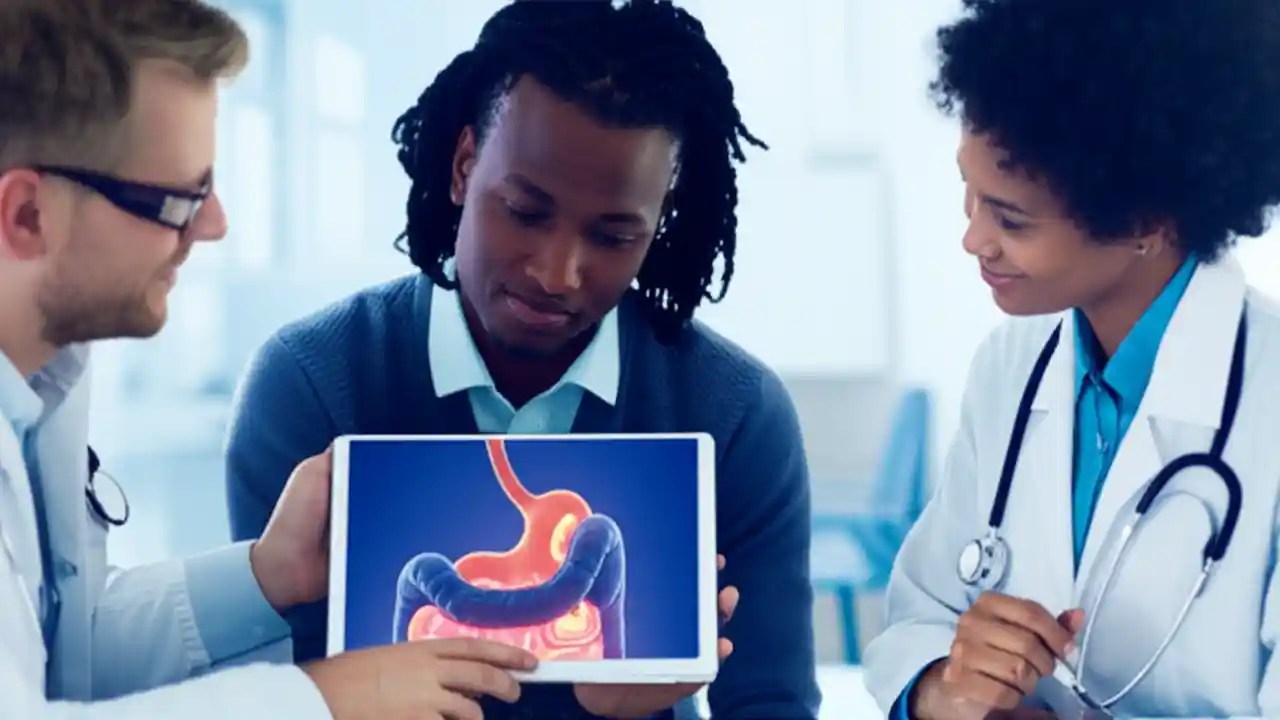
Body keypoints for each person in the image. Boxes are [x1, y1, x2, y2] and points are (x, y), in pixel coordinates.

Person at [224, 1, 821, 718]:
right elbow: (263, 700)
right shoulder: (313, 384)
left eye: (613, 235)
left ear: (659, 222)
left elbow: (773, 703)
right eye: (526, 212)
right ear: (463, 164)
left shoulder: (735, 415)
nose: (558, 273)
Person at [0, 2, 546, 718]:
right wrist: (323, 701)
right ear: (26, 216)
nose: (217, 224)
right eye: (179, 200)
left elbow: (62, 649)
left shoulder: (43, 378)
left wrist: (266, 574)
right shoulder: (313, 368)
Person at [862, 0, 1280, 718]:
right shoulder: (1010, 366)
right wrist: (942, 687)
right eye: (971, 196)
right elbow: (918, 615)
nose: (974, 241)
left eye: (1011, 219)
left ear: (1147, 220)